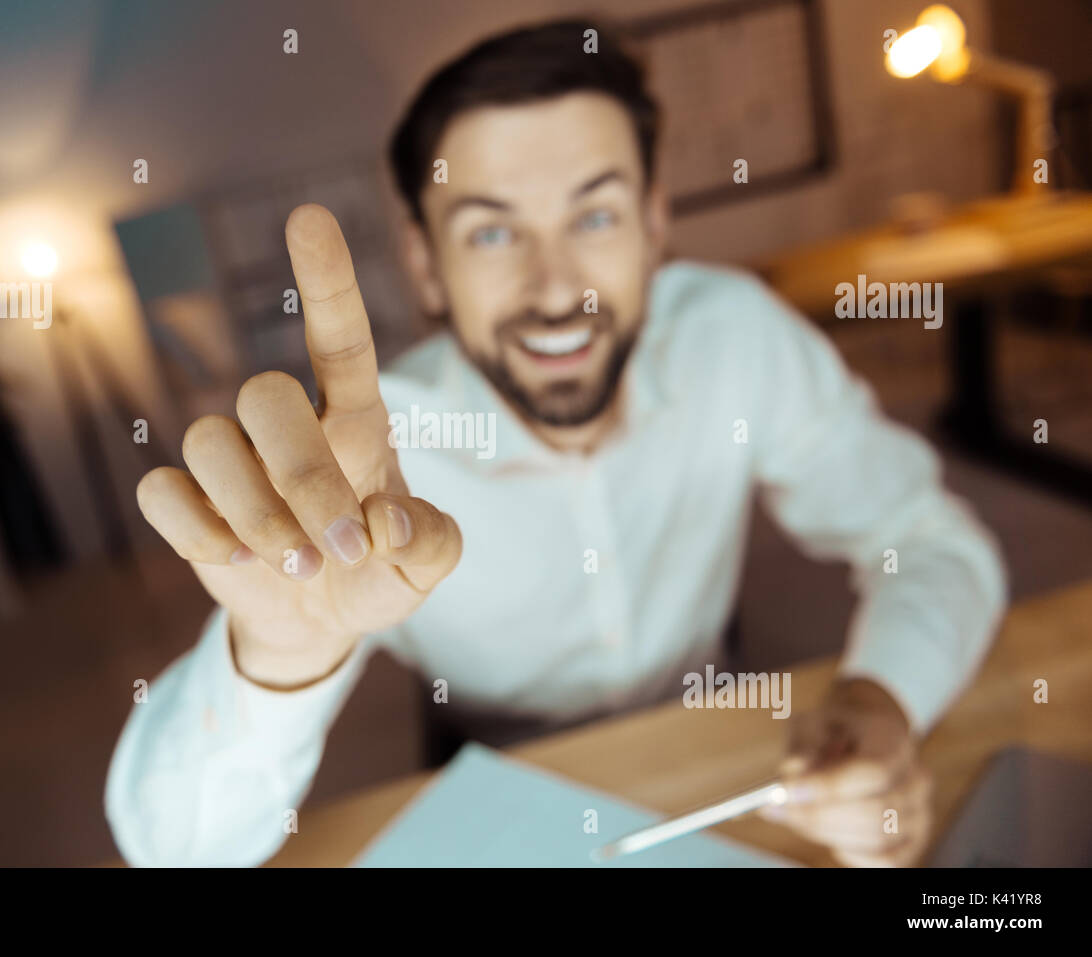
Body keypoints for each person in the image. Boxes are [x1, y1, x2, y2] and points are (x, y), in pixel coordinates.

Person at [105, 19, 1006, 867]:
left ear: (655, 224)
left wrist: (881, 698)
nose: (554, 287)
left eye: (596, 215)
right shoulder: (372, 457)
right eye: (492, 231)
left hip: (718, 733)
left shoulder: (737, 335)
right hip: (489, 770)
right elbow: (172, 847)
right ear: (424, 263)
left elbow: (930, 537)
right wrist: (280, 652)